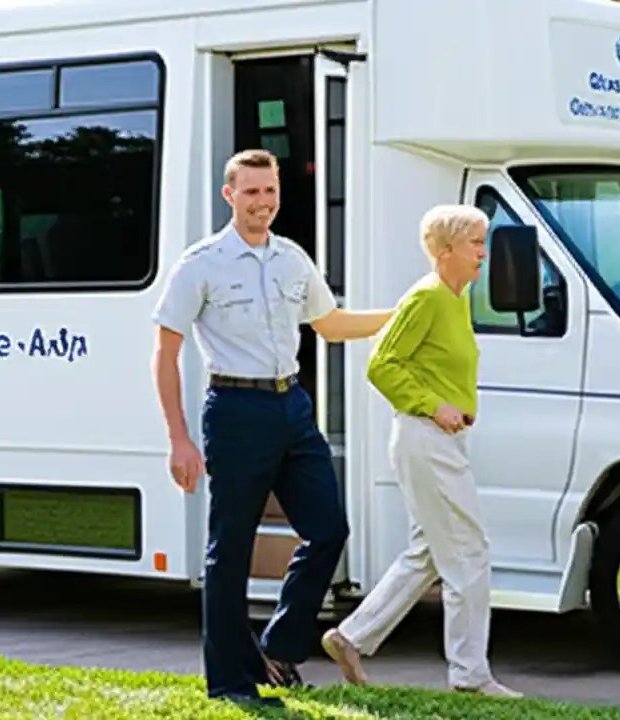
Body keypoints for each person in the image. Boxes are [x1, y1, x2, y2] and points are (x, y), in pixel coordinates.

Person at [150, 148, 393, 707]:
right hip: (235, 412)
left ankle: (279, 647)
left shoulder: (291, 259)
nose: (264, 202)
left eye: (271, 191)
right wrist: (179, 439)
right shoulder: (201, 263)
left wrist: (401, 313)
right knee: (229, 550)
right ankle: (231, 681)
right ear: (229, 195)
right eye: (252, 192)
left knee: (328, 528)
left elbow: (330, 325)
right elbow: (165, 354)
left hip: (292, 407)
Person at [319, 204, 521, 698]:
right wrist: (435, 406)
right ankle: (470, 676)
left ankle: (351, 637)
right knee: (468, 552)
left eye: (484, 241)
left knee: (429, 552)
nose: (484, 252)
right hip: (425, 438)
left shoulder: (456, 297)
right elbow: (381, 365)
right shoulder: (427, 298)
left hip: (439, 440)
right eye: (476, 242)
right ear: (446, 249)